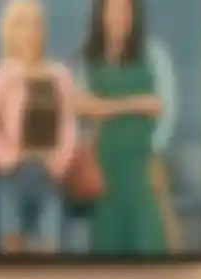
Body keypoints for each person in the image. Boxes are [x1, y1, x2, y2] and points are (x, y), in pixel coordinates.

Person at [0, 0, 77, 255]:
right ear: (10, 33)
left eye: (36, 25)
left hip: (49, 172)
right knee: (12, 247)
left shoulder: (59, 74)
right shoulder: (4, 75)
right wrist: (3, 156)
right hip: (13, 174)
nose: (31, 33)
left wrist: (62, 161)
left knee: (51, 245)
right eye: (22, 26)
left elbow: (68, 122)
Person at [77, 0, 166, 255]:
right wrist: (136, 103)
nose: (119, 16)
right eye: (112, 9)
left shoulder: (153, 53)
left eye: (125, 9)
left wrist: (104, 106)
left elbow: (160, 107)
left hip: (141, 170)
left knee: (149, 245)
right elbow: (82, 106)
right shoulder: (87, 59)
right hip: (102, 174)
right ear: (101, 14)